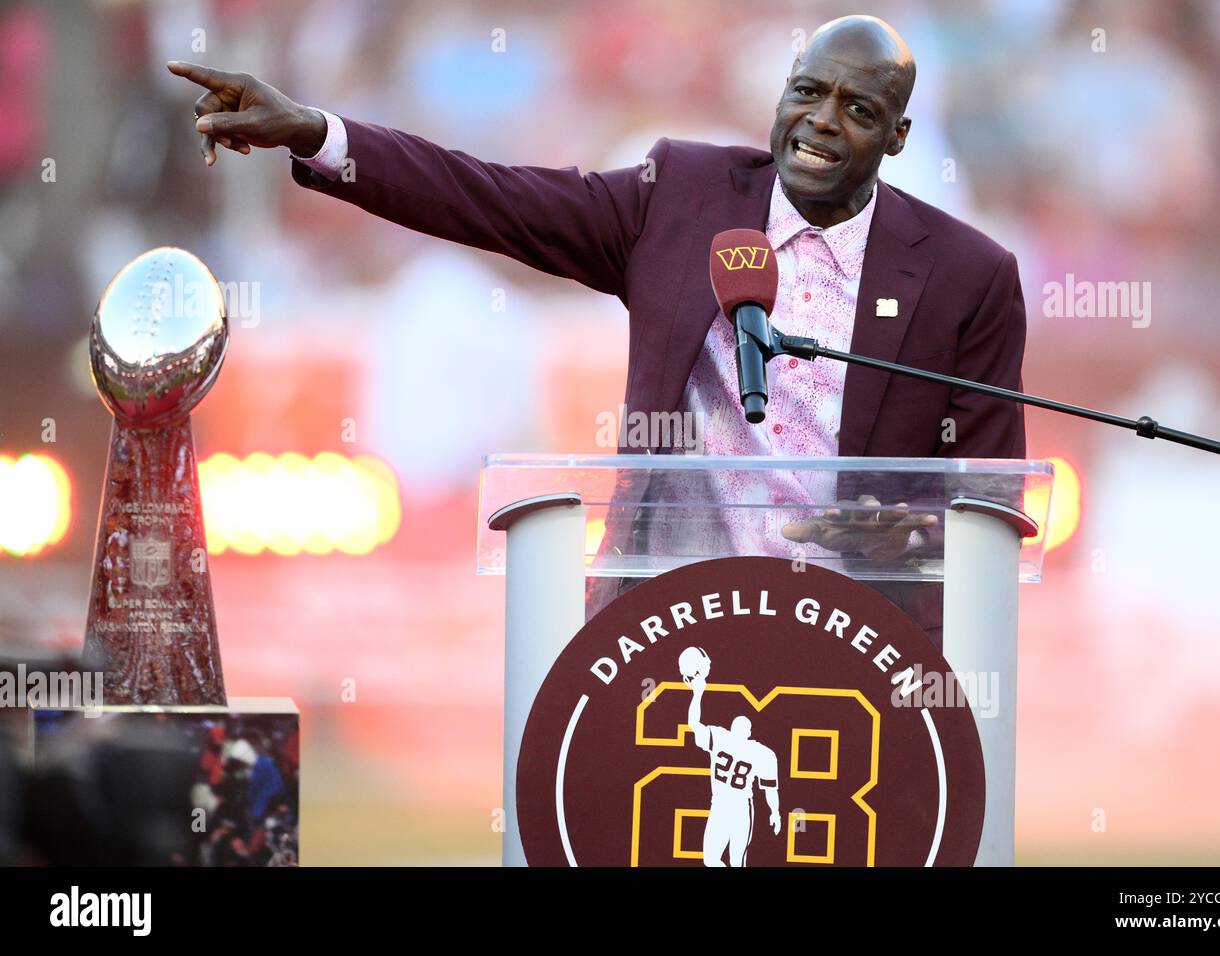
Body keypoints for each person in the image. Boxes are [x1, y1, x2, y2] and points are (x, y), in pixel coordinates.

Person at [167, 15, 1027, 644]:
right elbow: (489, 197)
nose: (823, 120)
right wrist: (319, 133)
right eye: (807, 91)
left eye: (859, 109)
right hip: (666, 627)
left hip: (860, 641)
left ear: (900, 134)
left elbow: (990, 493)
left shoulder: (965, 276)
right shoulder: (680, 198)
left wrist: (910, 531)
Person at [687, 672, 780, 868]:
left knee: (715, 860)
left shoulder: (721, 738)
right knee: (732, 862)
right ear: (749, 733)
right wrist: (775, 812)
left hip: (724, 806)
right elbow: (770, 790)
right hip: (737, 807)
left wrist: (697, 694)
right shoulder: (761, 753)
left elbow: (694, 724)